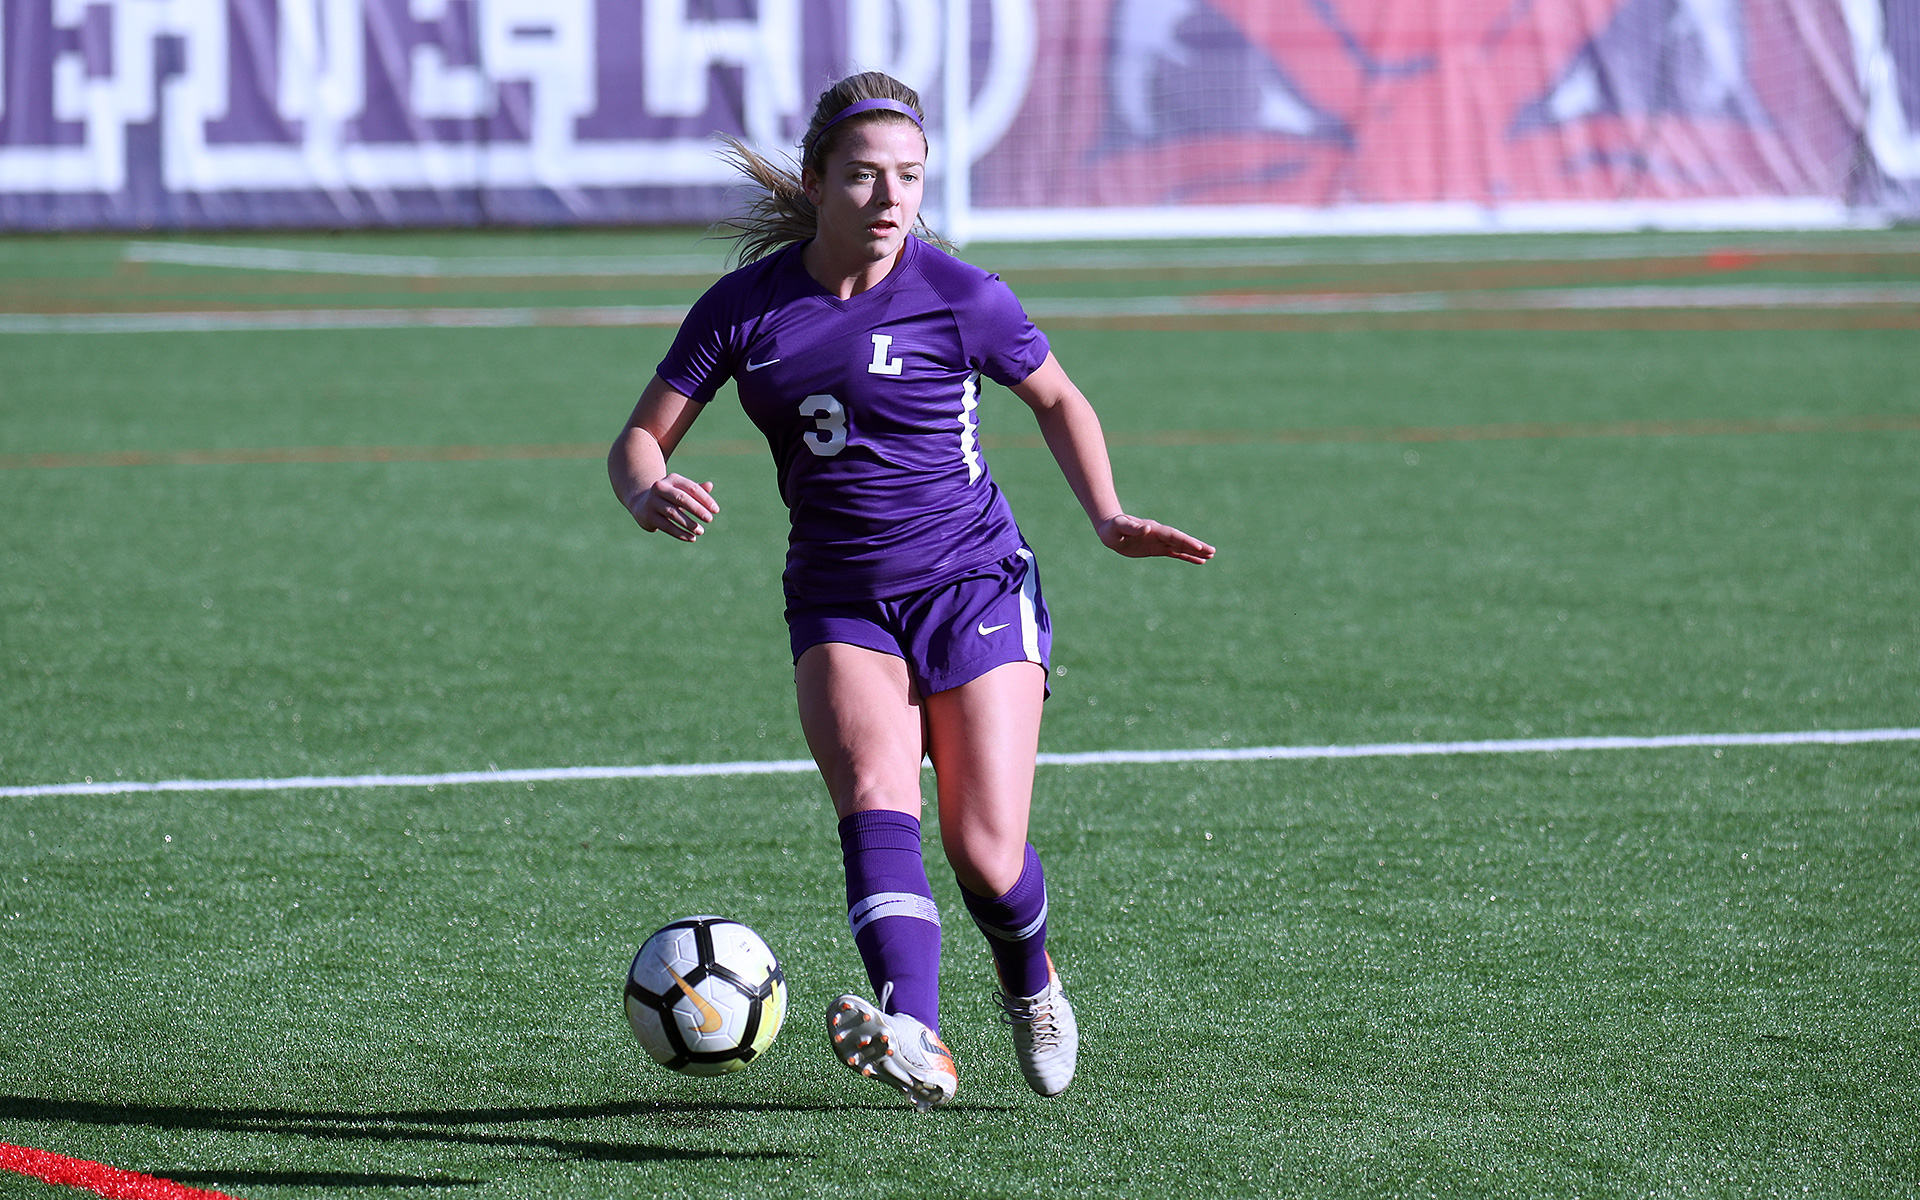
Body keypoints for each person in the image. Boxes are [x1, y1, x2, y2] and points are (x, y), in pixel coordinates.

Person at [609, 71, 1213, 1111]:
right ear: (814, 184)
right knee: (877, 802)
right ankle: (917, 1033)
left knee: (985, 851)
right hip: (839, 599)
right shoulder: (747, 309)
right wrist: (646, 490)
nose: (891, 199)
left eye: (910, 178)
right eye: (864, 177)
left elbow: (1059, 396)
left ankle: (1031, 980)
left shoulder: (960, 292)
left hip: (974, 580)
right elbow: (638, 437)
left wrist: (1107, 515)